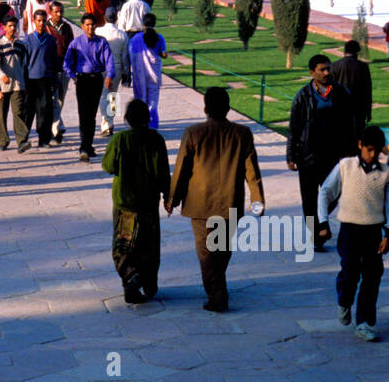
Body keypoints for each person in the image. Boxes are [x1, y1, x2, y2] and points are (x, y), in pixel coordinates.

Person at [167, 86, 265, 312]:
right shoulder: (242, 133)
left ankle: (218, 296)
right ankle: (217, 288)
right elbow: (252, 172)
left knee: (207, 253)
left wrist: (173, 198)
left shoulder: (193, 133)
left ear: (204, 109)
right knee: (221, 250)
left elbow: (181, 170)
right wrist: (257, 200)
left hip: (200, 205)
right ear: (228, 108)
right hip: (229, 202)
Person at [317, 125, 388, 341]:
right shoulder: (345, 166)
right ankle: (344, 301)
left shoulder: (385, 173)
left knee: (372, 277)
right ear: (360, 146)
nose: (372, 155)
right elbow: (326, 192)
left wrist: (388, 234)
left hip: (374, 231)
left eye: (377, 150)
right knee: (350, 273)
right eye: (368, 150)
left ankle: (365, 322)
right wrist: (323, 222)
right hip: (349, 230)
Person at [102, 98, 171, 302]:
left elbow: (108, 166)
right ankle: (148, 284)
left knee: (123, 246)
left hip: (126, 204)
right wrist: (169, 197)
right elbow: (163, 174)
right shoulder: (156, 140)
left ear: (127, 119)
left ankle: (131, 277)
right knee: (148, 246)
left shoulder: (119, 140)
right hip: (149, 202)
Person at [287, 54, 358, 252]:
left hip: (335, 155)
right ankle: (315, 235)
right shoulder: (303, 96)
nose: (327, 73)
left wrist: (353, 153)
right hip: (308, 156)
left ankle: (320, 223)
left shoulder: (341, 93)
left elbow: (351, 124)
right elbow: (294, 128)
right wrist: (291, 156)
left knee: (335, 194)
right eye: (322, 70)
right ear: (312, 73)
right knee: (309, 198)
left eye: (328, 69)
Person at [63, 13, 115, 161]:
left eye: (92, 24)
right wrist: (74, 76)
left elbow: (109, 60)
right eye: (87, 24)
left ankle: (88, 145)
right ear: (82, 26)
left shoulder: (102, 42)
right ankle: (84, 146)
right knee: (83, 113)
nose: (90, 27)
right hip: (82, 79)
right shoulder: (76, 43)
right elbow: (67, 63)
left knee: (91, 114)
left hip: (97, 79)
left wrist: (110, 75)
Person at [0, 16, 31, 152]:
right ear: (4, 28)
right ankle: (3, 140)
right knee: (2, 113)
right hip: (3, 86)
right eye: (10, 26)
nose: (13, 28)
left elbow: (25, 63)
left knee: (18, 112)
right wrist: (2, 75)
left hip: (18, 84)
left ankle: (22, 141)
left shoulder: (21, 44)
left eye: (14, 26)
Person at [24, 8, 59, 146]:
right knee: (28, 109)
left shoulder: (50, 40)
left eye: (44, 21)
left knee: (45, 110)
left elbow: (54, 61)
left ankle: (43, 139)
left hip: (46, 78)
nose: (41, 23)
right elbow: (24, 61)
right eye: (38, 21)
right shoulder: (28, 39)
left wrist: (55, 79)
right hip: (31, 79)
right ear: (34, 21)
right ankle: (23, 137)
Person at [129, 14, 168, 128]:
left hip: (139, 74)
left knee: (141, 99)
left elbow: (131, 55)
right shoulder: (159, 37)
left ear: (143, 24)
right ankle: (152, 124)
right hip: (154, 74)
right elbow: (164, 54)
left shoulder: (135, 39)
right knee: (153, 101)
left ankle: (140, 123)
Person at [96, 6, 130, 137]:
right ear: (116, 18)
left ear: (104, 17)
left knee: (104, 96)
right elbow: (125, 57)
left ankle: (106, 123)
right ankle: (110, 121)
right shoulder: (122, 35)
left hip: (102, 67)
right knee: (113, 95)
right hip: (116, 68)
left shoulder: (98, 31)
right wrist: (126, 72)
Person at [330, 40, 372, 136]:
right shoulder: (363, 67)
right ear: (357, 52)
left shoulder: (335, 66)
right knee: (357, 138)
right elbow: (367, 90)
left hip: (339, 109)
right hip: (358, 110)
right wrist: (368, 112)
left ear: (344, 52)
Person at [46, 0, 74, 142]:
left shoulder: (67, 28)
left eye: (61, 11)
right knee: (53, 100)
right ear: (50, 13)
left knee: (60, 100)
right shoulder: (45, 27)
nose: (59, 14)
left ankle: (55, 125)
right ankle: (57, 128)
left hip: (64, 68)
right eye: (56, 11)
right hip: (50, 70)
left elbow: (72, 48)